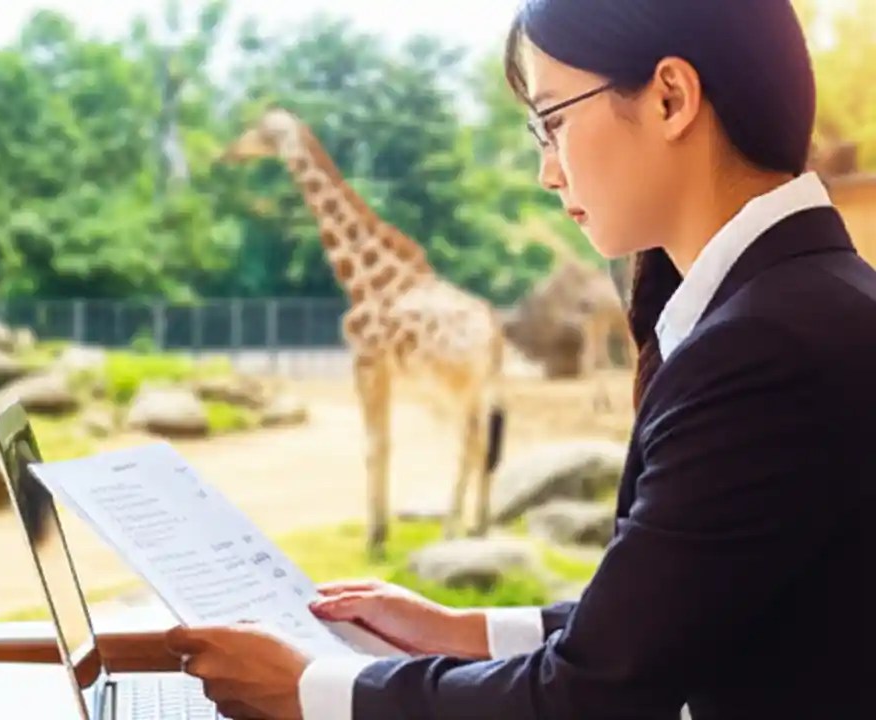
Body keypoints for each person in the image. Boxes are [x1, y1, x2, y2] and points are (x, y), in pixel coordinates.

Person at [163, 0, 876, 717]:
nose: (547, 171)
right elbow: (680, 613)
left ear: (670, 98)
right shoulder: (803, 306)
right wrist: (463, 630)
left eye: (552, 122)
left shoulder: (764, 350)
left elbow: (588, 698)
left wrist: (310, 692)